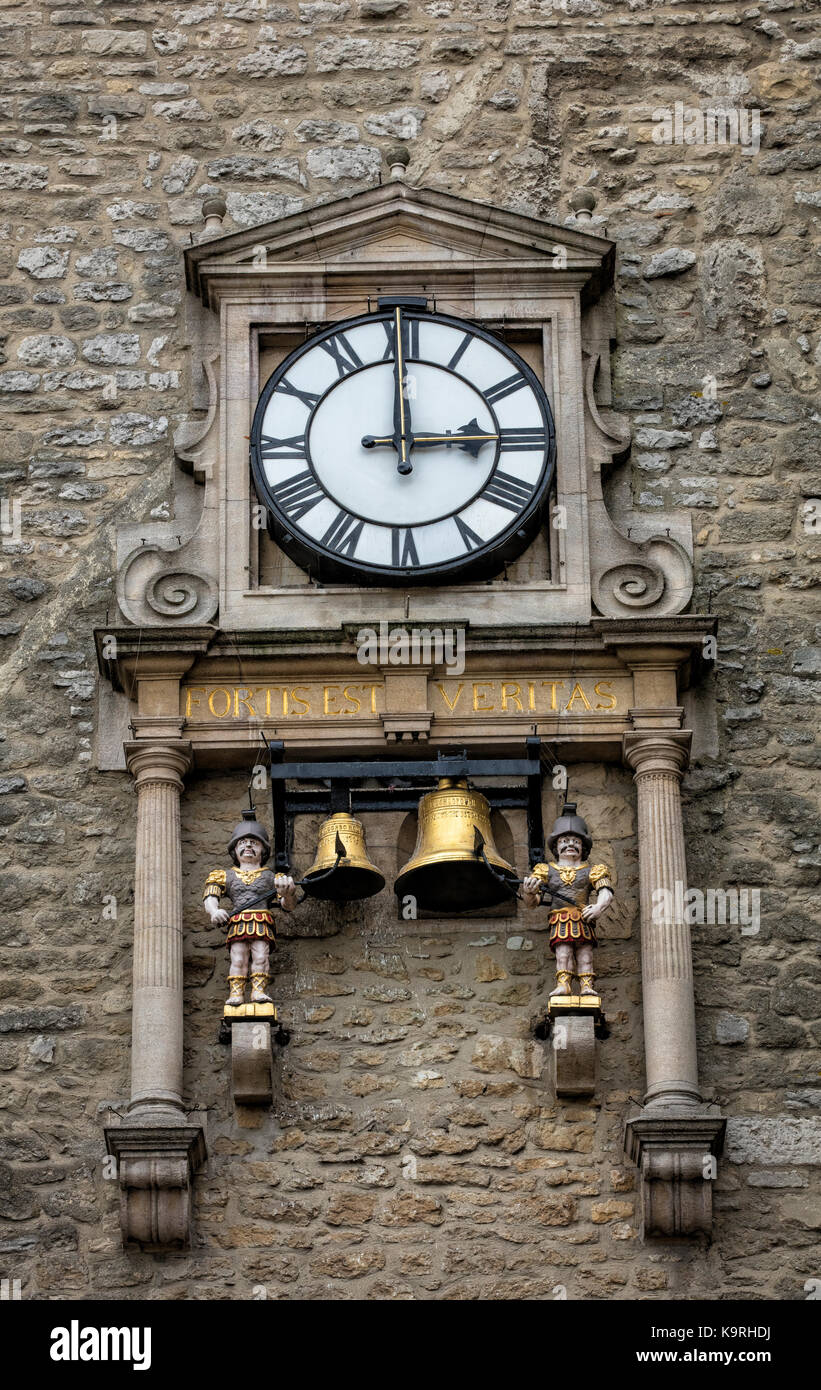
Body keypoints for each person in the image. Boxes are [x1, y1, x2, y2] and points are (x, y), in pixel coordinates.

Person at [203, 810, 297, 1007]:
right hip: (238, 921)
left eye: (254, 843)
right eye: (242, 843)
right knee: (238, 958)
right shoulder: (225, 875)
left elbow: (287, 906)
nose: (248, 846)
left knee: (261, 956)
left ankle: (258, 991)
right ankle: (236, 994)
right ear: (234, 850)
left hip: (262, 920)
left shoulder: (272, 877)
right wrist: (214, 911)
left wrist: (288, 894)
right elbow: (211, 896)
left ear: (263, 850)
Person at [521, 803, 613, 998]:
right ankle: (564, 985)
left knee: (585, 955)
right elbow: (532, 902)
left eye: (576, 841)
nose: (570, 844)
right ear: (556, 846)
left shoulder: (592, 870)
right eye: (565, 840)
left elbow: (605, 891)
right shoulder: (546, 870)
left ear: (583, 847)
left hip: (584, 919)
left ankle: (587, 986)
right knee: (563, 954)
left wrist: (598, 907)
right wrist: (529, 892)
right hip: (560, 919)